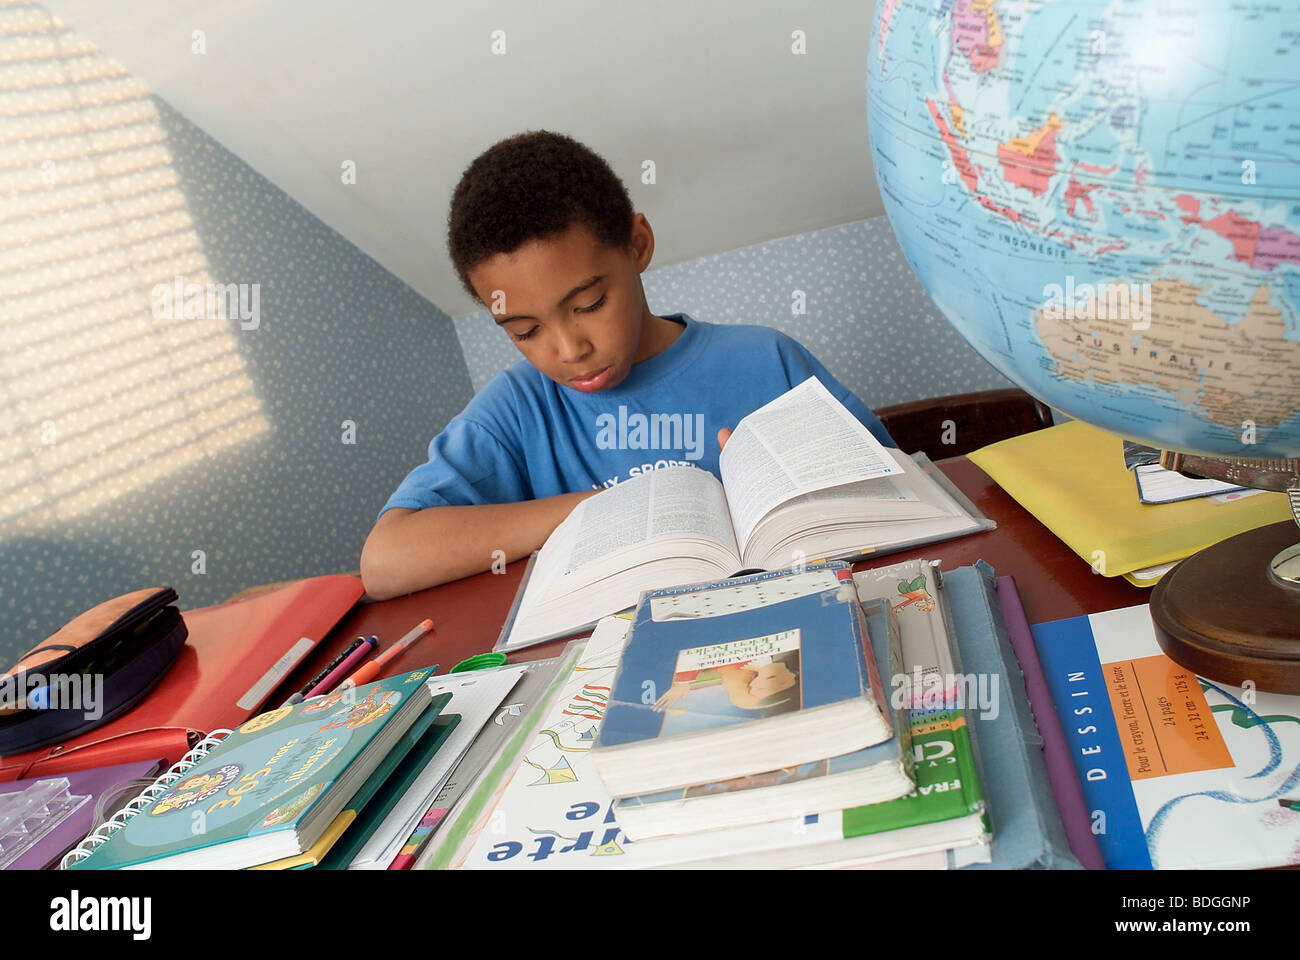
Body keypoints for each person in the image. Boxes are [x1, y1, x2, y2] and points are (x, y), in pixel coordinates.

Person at [361, 130, 895, 599]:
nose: (569, 349)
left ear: (638, 246)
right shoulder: (518, 409)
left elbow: (899, 494)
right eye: (525, 331)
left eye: (589, 305)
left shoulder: (766, 361)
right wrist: (616, 507)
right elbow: (385, 561)